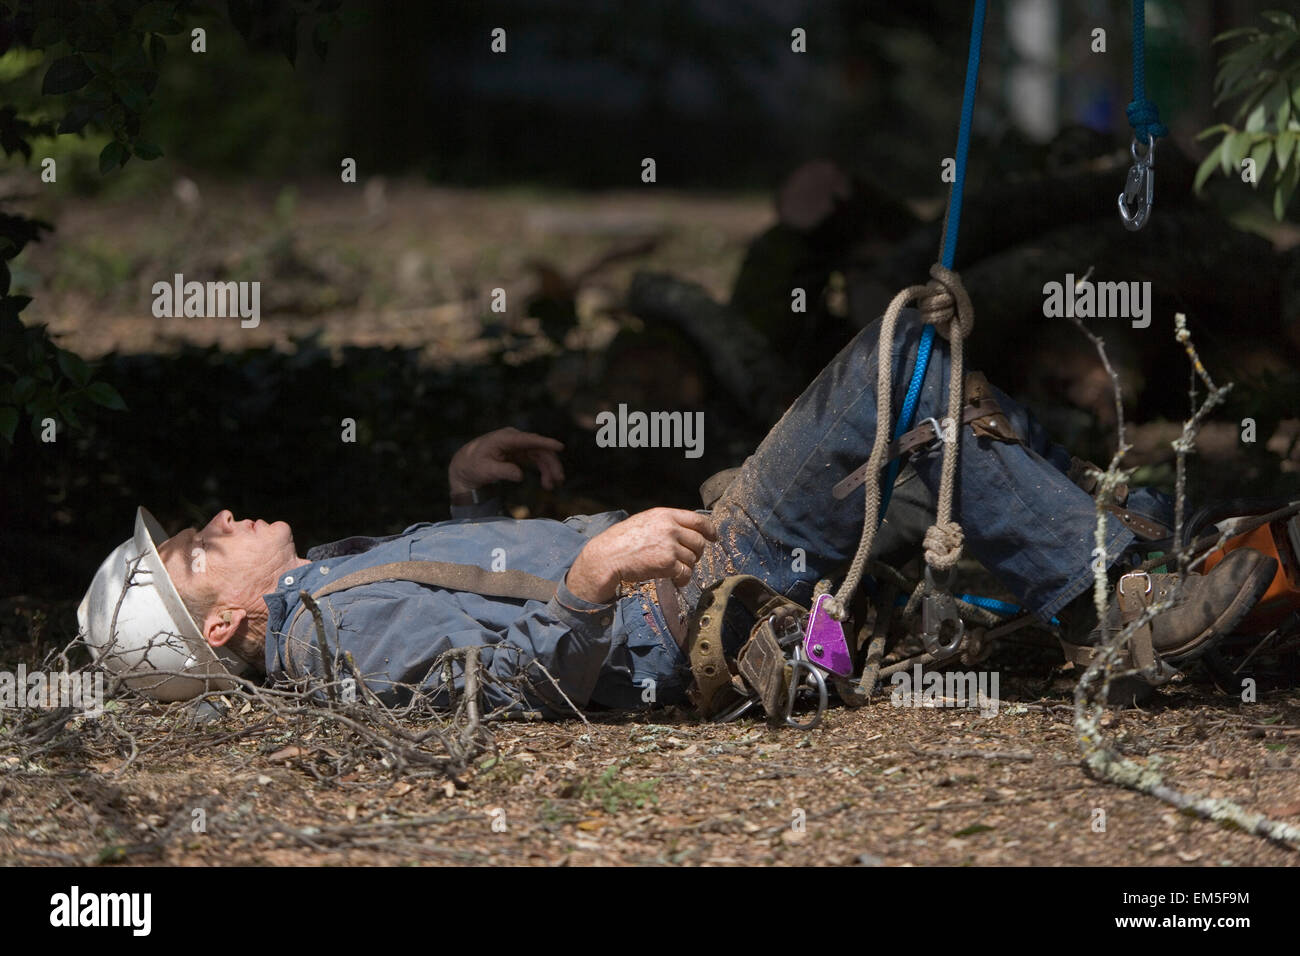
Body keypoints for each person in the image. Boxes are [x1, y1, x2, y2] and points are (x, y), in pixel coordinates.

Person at [78, 309, 1277, 716]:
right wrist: (595, 577)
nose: (221, 517)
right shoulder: (326, 632)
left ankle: (1127, 576)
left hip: (691, 568)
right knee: (898, 363)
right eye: (198, 547)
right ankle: (1124, 600)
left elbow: (454, 614)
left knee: (917, 419)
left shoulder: (318, 598)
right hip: (697, 587)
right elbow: (499, 688)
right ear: (224, 625)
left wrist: (459, 498)